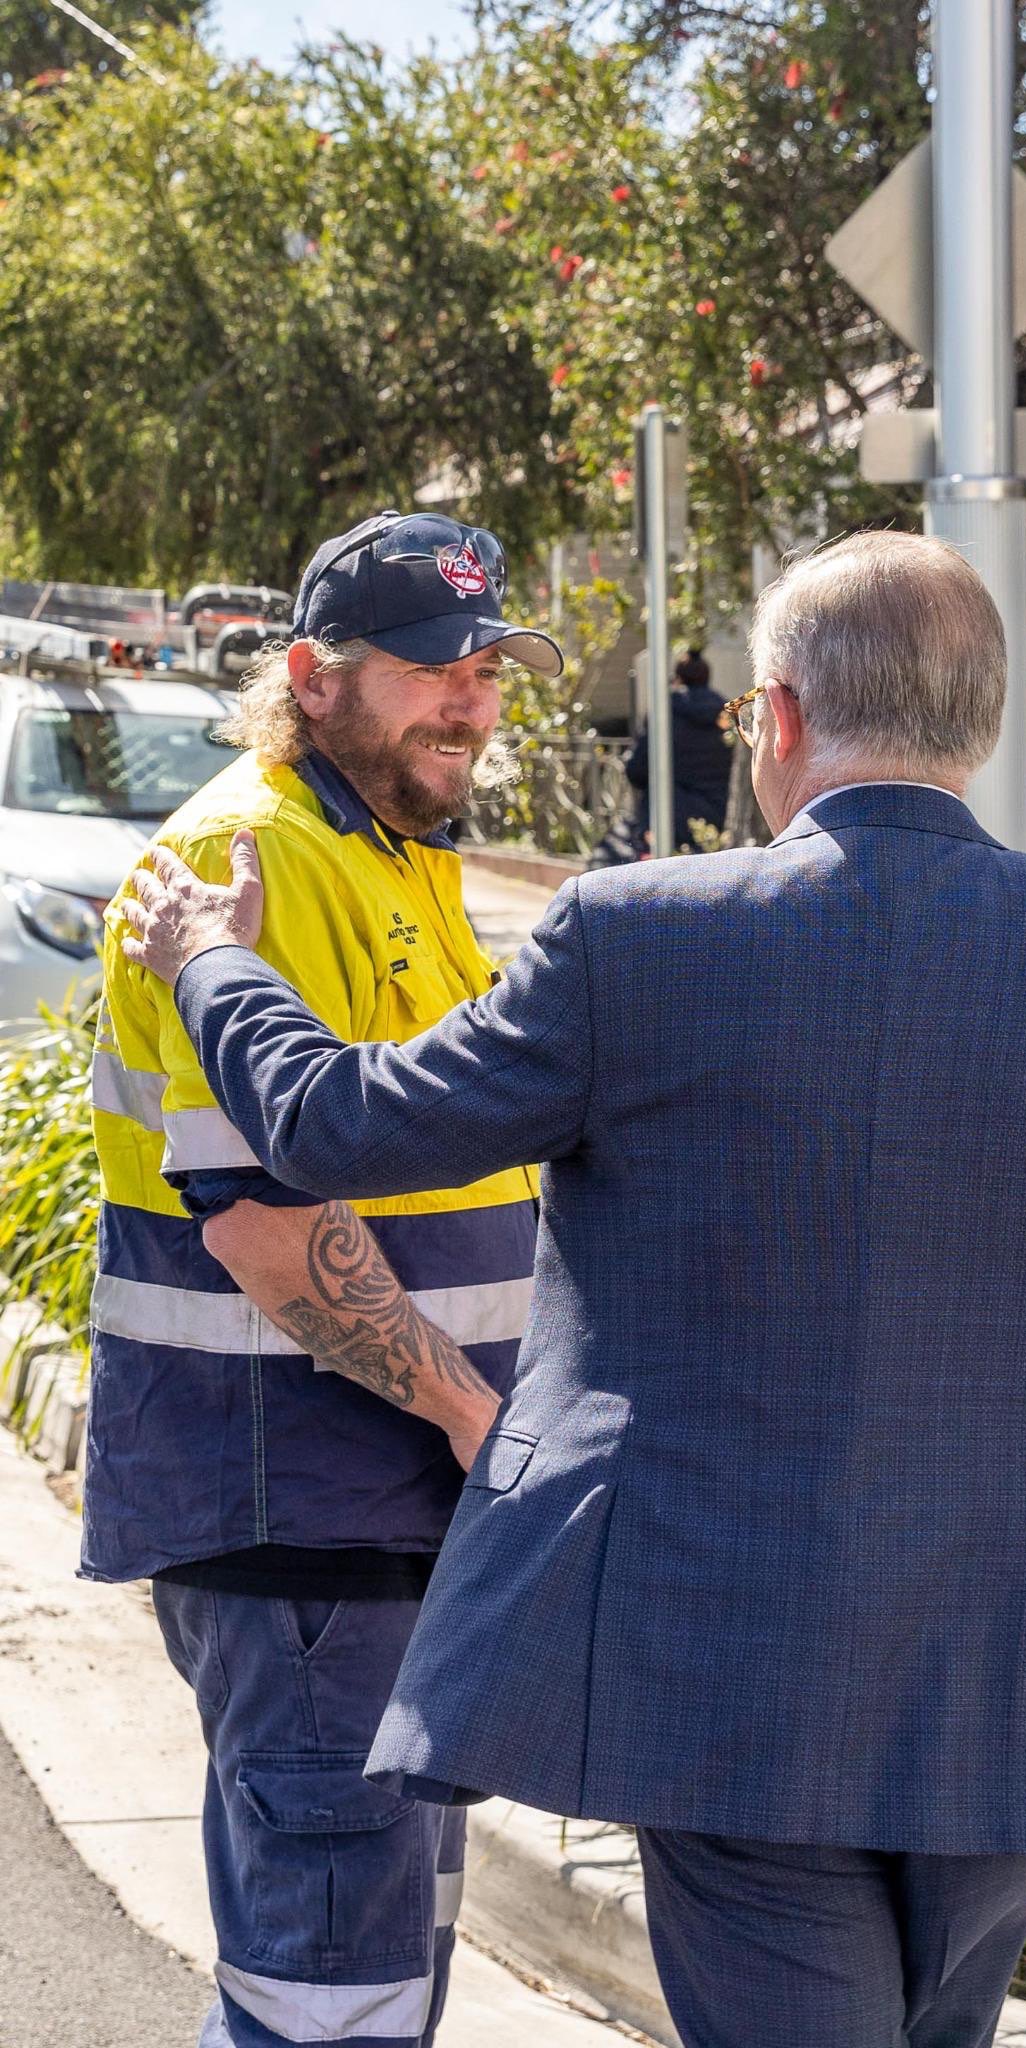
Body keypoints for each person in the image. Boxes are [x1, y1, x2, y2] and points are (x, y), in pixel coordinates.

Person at [124, 530, 1026, 2048]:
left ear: (774, 717)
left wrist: (206, 959)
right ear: (977, 726)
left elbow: (338, 1124)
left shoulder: (635, 937)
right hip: (1004, 1678)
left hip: (718, 1669)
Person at [82, 510, 563, 2048]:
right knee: (328, 2002)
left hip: (379, 1516)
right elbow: (265, 1231)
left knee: (375, 1972)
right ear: (313, 674)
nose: (471, 703)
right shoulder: (251, 862)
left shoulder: (386, 846)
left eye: (488, 669)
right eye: (433, 673)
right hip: (308, 1511)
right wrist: (482, 1419)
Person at [624, 645, 734, 852]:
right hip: (718, 820)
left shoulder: (665, 712)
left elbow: (636, 770)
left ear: (678, 678)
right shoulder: (725, 714)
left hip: (668, 821)